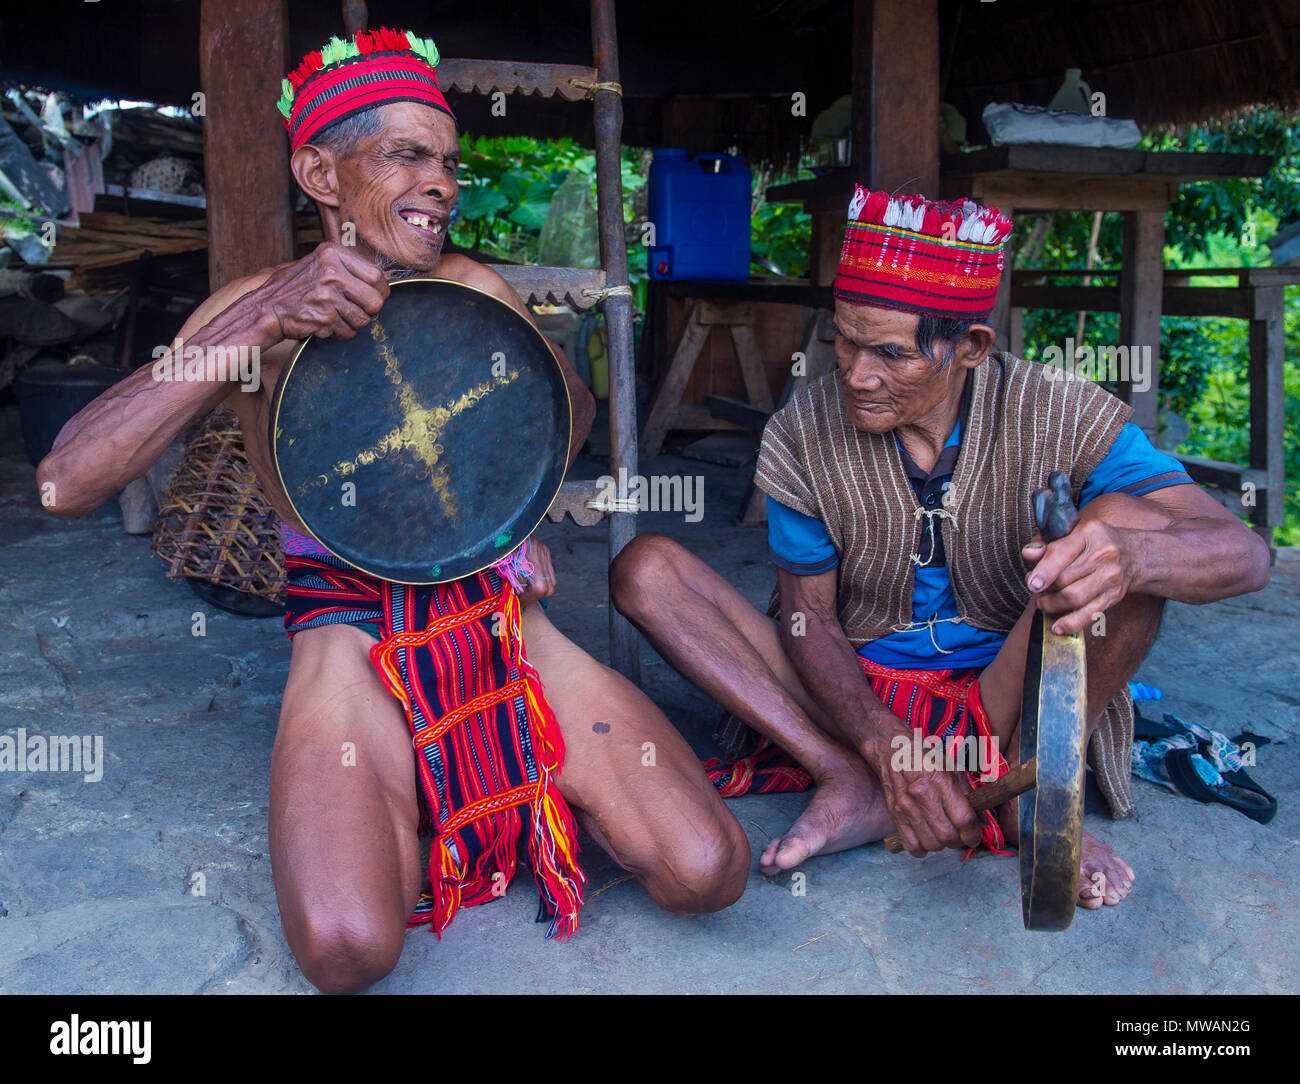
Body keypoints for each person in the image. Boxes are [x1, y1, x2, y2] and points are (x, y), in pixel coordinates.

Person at [36, 28, 748, 993]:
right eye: (407, 156)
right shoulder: (254, 312)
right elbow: (66, 481)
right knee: (346, 949)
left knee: (706, 870)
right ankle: (427, 780)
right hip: (348, 631)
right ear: (319, 172)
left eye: (449, 161)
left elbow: (561, 415)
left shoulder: (472, 288)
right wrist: (264, 315)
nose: (442, 183)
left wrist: (519, 512)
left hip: (496, 616)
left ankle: (466, 783)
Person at [611, 185, 1271, 912]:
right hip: (853, 693)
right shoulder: (804, 431)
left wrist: (1133, 559)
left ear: (969, 349)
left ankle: (1036, 784)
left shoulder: (1058, 407)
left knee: (1128, 523)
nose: (858, 375)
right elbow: (811, 622)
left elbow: (1243, 553)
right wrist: (881, 742)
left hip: (1005, 696)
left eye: (891, 353)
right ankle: (851, 777)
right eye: (845, 341)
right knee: (647, 570)